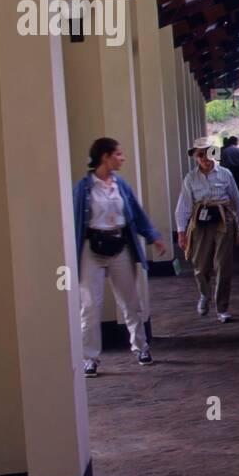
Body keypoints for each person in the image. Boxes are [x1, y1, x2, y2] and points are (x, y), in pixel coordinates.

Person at [72, 137, 166, 377]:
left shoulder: (120, 185)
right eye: (118, 154)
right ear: (105, 157)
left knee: (130, 300)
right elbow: (72, 219)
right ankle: (89, 358)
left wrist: (153, 236)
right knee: (90, 306)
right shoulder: (83, 188)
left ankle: (141, 347)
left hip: (119, 245)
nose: (122, 158)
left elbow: (136, 212)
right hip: (92, 248)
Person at [176, 137, 239, 323]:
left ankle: (222, 308)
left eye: (208, 153)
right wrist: (181, 232)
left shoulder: (225, 174)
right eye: (200, 155)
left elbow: (236, 200)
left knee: (223, 265)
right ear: (196, 157)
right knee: (200, 266)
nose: (205, 158)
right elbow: (183, 206)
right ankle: (204, 294)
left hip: (223, 221)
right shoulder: (190, 178)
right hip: (201, 224)